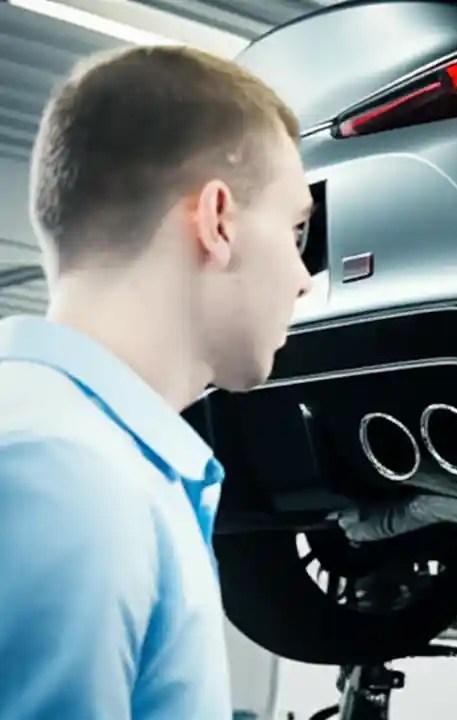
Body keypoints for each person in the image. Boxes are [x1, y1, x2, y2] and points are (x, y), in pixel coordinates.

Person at [0, 45, 312, 717]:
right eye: (295, 230)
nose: (303, 278)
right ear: (217, 220)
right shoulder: (67, 475)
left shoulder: (89, 456)